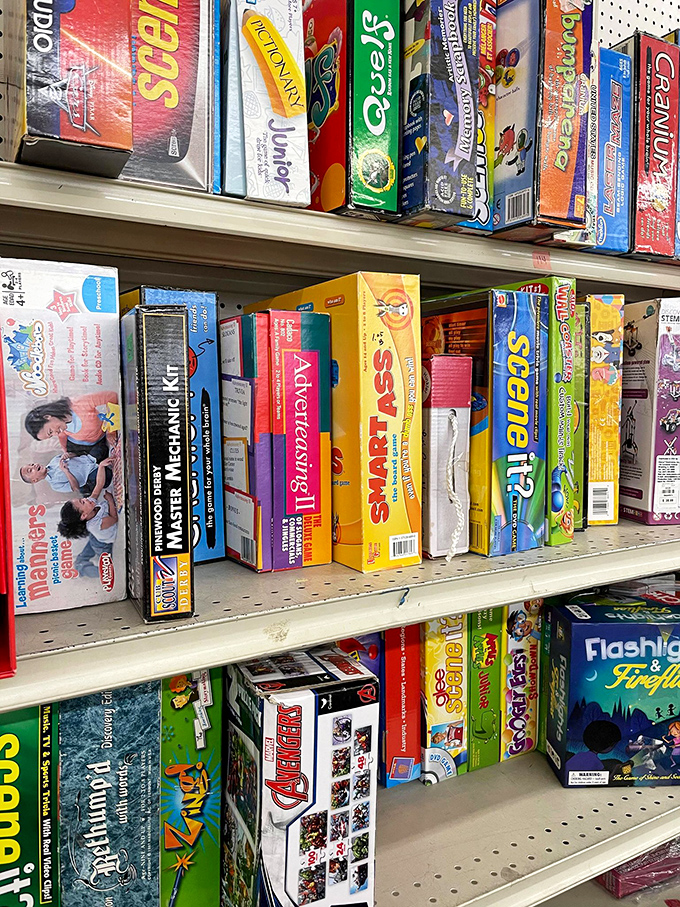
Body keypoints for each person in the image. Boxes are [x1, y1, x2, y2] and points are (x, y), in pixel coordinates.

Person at [24, 393, 118, 462]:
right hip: (87, 445)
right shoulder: (61, 427)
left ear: (47, 417)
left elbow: (112, 396)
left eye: (50, 431)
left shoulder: (79, 404)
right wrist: (65, 451)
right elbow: (62, 437)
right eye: (51, 435)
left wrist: (111, 431)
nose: (55, 434)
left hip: (102, 436)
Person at [20, 455, 112, 496]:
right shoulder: (55, 485)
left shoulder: (53, 460)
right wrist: (66, 471)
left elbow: (75, 455)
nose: (34, 466)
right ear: (35, 480)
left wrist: (68, 455)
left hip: (89, 459)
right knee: (108, 475)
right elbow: (75, 488)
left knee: (101, 449)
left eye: (32, 464)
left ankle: (102, 462)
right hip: (89, 474)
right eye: (30, 470)